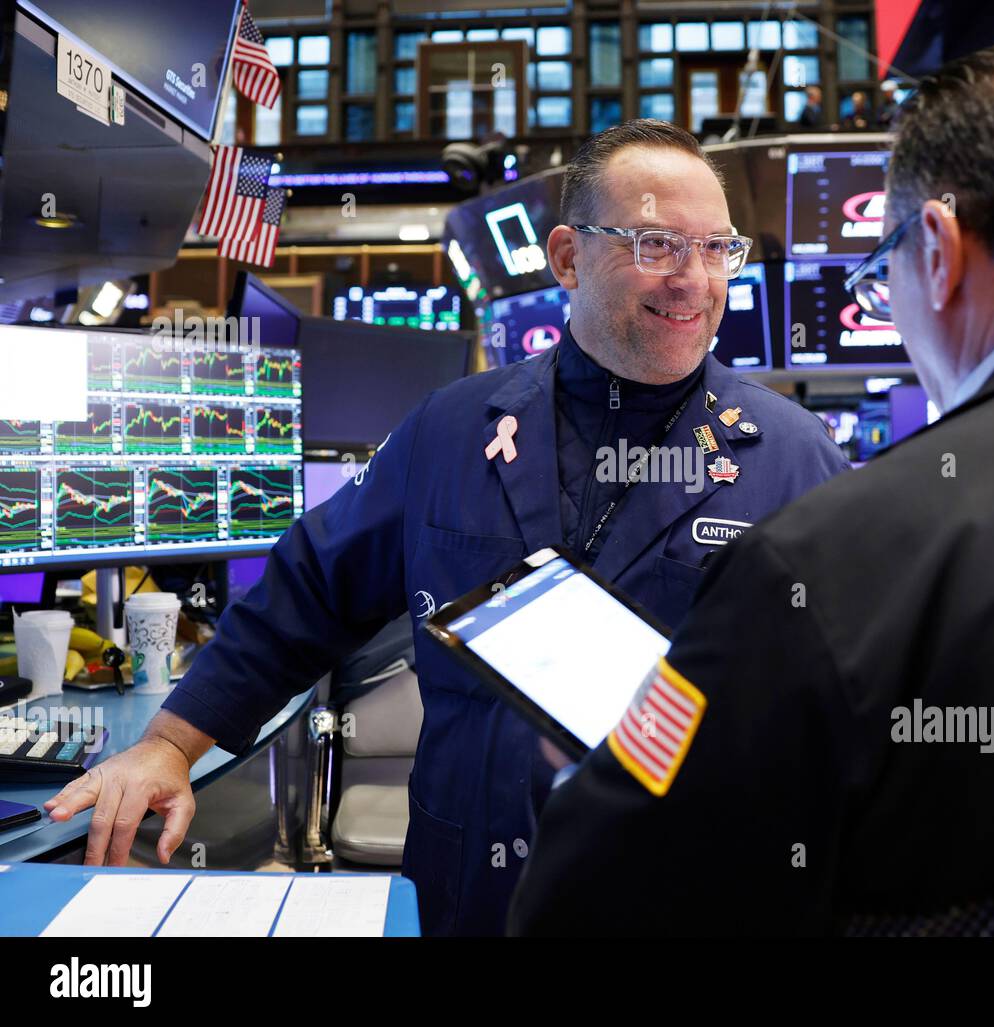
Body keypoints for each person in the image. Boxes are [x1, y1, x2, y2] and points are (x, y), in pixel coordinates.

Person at [508, 44, 994, 936]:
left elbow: (594, 903)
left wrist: (596, 778)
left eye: (882, 269)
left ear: (938, 248)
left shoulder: (835, 560)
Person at [43, 119, 849, 935]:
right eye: (656, 244)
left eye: (717, 248)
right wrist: (170, 743)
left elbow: (852, 703)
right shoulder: (450, 429)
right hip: (468, 890)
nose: (695, 279)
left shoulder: (793, 459)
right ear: (567, 257)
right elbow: (308, 590)